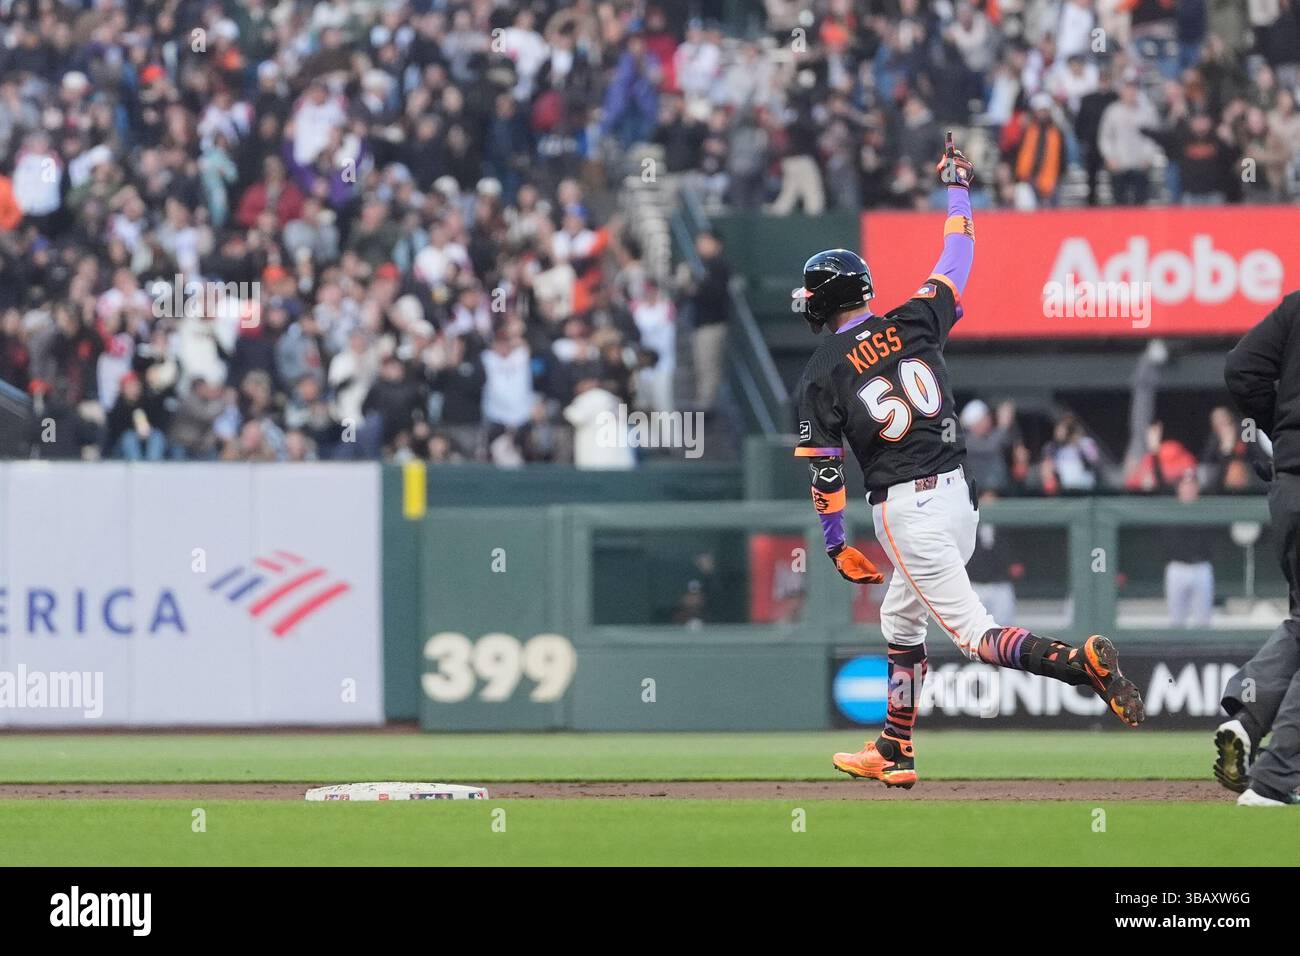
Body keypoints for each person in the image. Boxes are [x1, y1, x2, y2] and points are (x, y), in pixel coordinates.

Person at [792, 136, 1144, 790]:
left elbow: (827, 471)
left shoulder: (822, 369)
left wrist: (837, 544)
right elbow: (958, 256)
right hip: (958, 499)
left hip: (907, 508)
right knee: (900, 618)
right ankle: (895, 749)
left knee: (976, 636)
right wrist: (957, 189)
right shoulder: (914, 319)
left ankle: (1079, 665)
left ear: (821, 300)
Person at [1216, 291, 1300, 806]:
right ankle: (1274, 780)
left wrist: (1285, 433)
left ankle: (1247, 723)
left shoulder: (1295, 307)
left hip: (1287, 486)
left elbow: (1240, 368)